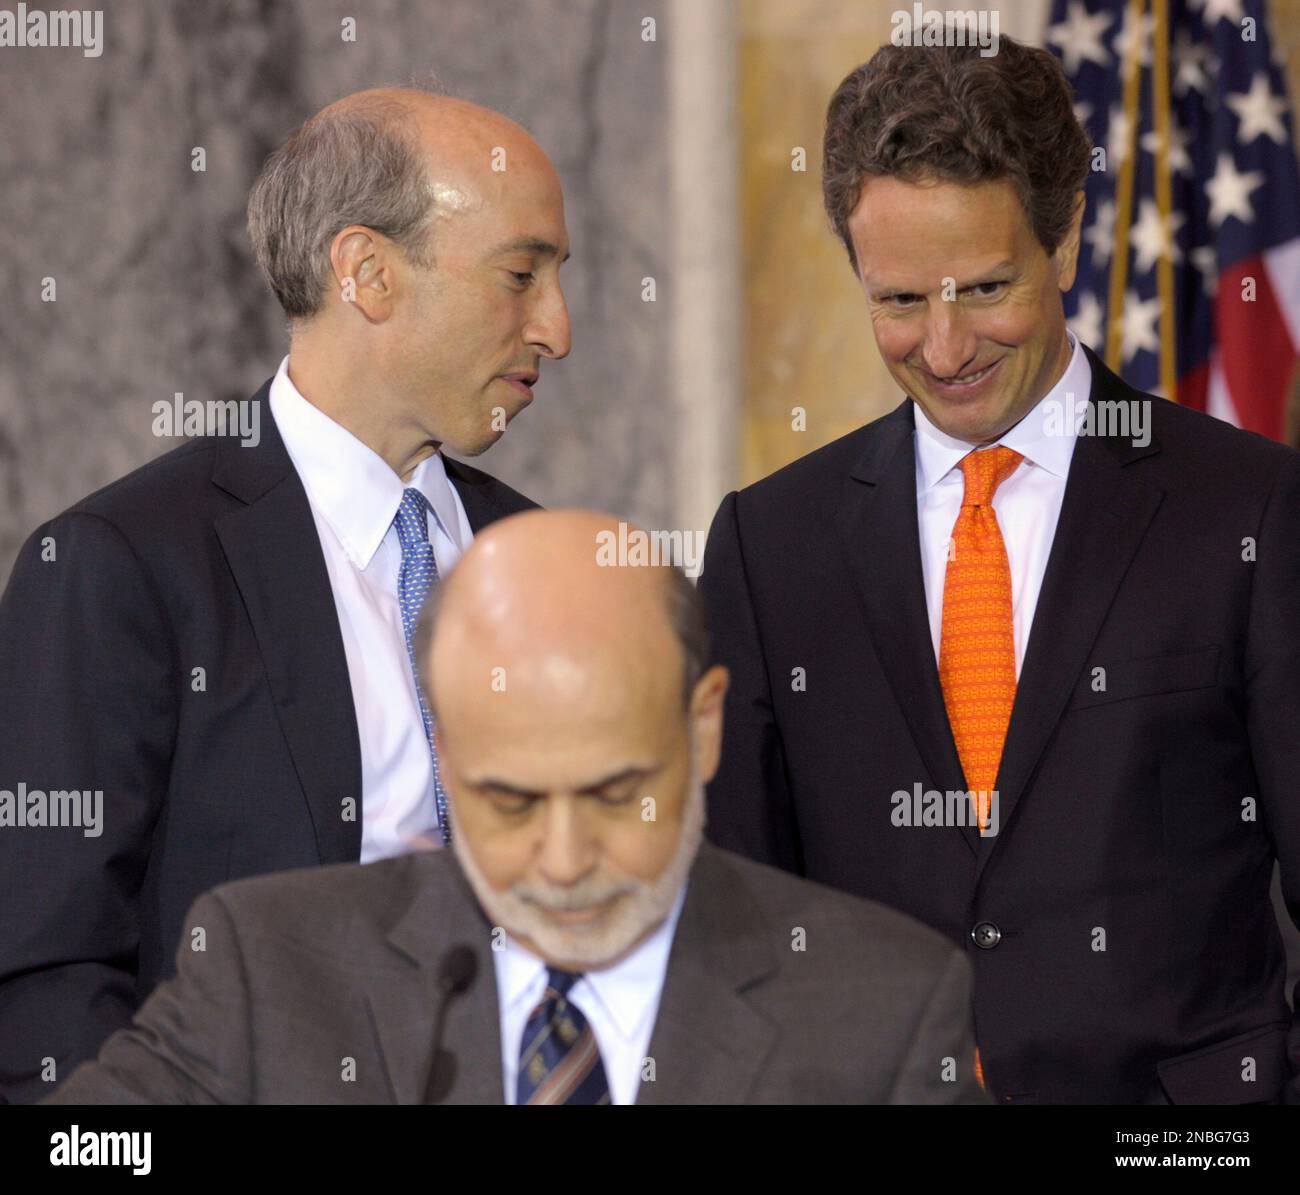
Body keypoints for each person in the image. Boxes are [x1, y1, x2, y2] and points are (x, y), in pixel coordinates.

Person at [699, 39, 1300, 1104]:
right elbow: (737, 922)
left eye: (983, 288)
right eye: (898, 301)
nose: (944, 349)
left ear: (1065, 241)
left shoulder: (1248, 508)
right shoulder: (768, 543)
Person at [0, 86, 571, 1102]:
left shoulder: (548, 562)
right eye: (522, 275)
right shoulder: (122, 567)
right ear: (367, 272)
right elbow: (46, 983)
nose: (557, 328)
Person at [44, 511, 985, 1105]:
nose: (564, 859)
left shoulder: (885, 1010)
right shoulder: (270, 969)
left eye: (615, 794)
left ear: (703, 729)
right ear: (444, 752)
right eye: (509, 801)